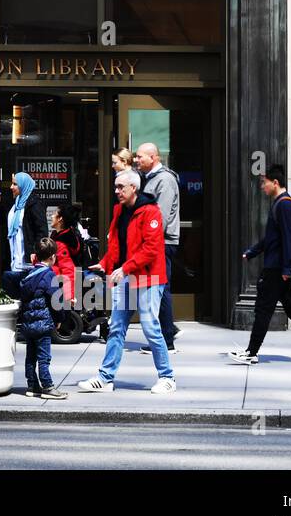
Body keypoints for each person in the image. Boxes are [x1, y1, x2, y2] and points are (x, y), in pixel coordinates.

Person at [77, 170, 176, 394]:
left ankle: (167, 377)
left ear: (134, 187)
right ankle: (105, 378)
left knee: (151, 328)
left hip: (148, 278)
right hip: (127, 276)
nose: (117, 191)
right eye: (116, 187)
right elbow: (116, 243)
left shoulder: (151, 212)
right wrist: (105, 263)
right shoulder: (119, 210)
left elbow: (151, 250)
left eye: (121, 187)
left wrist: (125, 268)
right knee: (116, 328)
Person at [229, 164, 291, 365]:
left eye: (264, 183)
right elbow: (273, 239)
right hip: (281, 268)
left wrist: (286, 269)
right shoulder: (282, 204)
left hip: (277, 270)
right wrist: (252, 252)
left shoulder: (283, 205)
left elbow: (289, 238)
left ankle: (251, 353)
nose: (262, 187)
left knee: (263, 310)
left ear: (275, 183)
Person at [135, 142, 181, 353]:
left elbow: (159, 217)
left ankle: (167, 339)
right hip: (156, 242)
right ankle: (167, 331)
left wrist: (145, 242)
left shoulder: (164, 180)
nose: (136, 160)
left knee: (160, 289)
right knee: (157, 288)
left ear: (153, 157)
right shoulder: (151, 179)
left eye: (140, 157)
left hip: (161, 242)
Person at [16, 238, 67, 399]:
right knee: (44, 357)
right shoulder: (48, 275)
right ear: (52, 257)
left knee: (30, 356)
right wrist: (60, 319)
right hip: (43, 324)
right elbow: (56, 301)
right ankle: (48, 387)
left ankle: (32, 386)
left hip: (28, 324)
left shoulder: (29, 274)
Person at [0, 172, 48, 275]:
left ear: (23, 185)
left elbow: (42, 231)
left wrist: (36, 252)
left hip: (28, 263)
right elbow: (5, 221)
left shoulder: (34, 203)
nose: (11, 187)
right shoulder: (16, 204)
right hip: (13, 261)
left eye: (15, 184)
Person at [49, 204, 83, 305]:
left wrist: (69, 297)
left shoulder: (61, 242)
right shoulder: (59, 236)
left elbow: (68, 271)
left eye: (54, 214)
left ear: (60, 219)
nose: (51, 216)